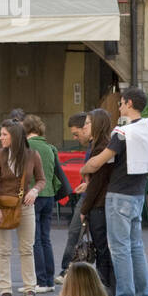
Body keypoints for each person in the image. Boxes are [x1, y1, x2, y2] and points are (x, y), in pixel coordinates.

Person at [80, 87, 148, 296]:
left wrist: (84, 169)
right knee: (136, 247)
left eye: (121, 104)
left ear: (129, 103)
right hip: (137, 195)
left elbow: (97, 163)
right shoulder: (147, 130)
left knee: (120, 248)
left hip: (119, 196)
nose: (120, 107)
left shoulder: (123, 133)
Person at [0, 119, 45, 296]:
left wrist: (35, 190)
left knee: (26, 248)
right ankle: (5, 290)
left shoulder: (32, 155)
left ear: (15, 137)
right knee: (3, 250)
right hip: (2, 205)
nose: (0, 137)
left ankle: (30, 288)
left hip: (26, 206)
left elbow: (41, 179)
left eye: (5, 134)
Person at [78, 109, 115, 293]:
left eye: (87, 123)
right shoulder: (99, 146)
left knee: (102, 249)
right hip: (100, 203)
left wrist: (84, 209)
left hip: (100, 206)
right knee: (103, 248)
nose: (84, 126)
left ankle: (108, 288)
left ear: (97, 124)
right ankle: (107, 287)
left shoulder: (102, 148)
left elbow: (97, 183)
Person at [23, 114, 58, 295]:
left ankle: (41, 280)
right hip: (49, 194)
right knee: (46, 238)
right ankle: (49, 280)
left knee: (33, 240)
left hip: (32, 196)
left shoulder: (27, 146)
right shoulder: (50, 147)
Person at [60, 112, 90, 274]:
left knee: (75, 232)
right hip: (88, 195)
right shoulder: (92, 146)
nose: (75, 138)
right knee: (75, 233)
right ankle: (68, 268)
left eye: (76, 134)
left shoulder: (98, 146)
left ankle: (67, 269)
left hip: (91, 198)